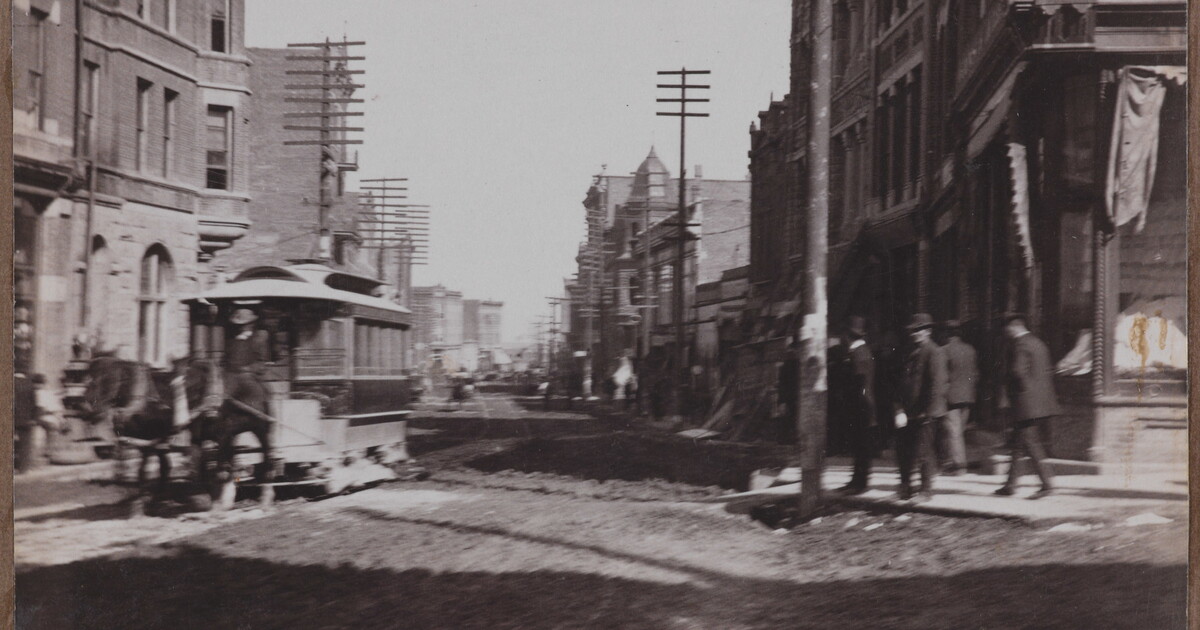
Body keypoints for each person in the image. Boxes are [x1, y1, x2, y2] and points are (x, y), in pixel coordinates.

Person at [995, 313, 1059, 500]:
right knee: (1018, 443)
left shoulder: (1020, 344)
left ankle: (1047, 484)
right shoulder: (1038, 343)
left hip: (1025, 403)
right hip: (1040, 402)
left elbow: (1017, 371)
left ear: (1013, 327)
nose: (1006, 333)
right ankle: (1010, 485)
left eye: (1007, 329)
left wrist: (1012, 391)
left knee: (1030, 443)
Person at [895, 313, 948, 502]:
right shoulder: (911, 351)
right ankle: (906, 487)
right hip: (909, 411)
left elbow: (937, 384)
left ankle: (926, 491)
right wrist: (899, 407)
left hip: (925, 412)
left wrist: (930, 411)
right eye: (913, 330)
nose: (914, 333)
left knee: (923, 450)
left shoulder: (934, 352)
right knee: (904, 450)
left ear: (928, 331)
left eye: (918, 330)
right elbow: (903, 383)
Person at [832, 316, 876, 495]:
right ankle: (855, 481)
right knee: (858, 446)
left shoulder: (859, 354)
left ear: (848, 335)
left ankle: (860, 483)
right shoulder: (857, 352)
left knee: (862, 447)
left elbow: (860, 384)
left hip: (861, 407)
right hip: (860, 407)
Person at [940, 320, 978, 475]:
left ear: (947, 334)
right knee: (958, 431)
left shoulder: (943, 350)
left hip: (951, 397)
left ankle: (959, 466)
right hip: (968, 396)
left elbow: (942, 376)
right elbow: (975, 373)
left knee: (954, 432)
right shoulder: (970, 350)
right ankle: (950, 461)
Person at [225, 308, 270, 412]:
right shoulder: (233, 341)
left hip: (251, 377)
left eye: (246, 324)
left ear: (252, 324)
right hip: (231, 378)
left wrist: (248, 369)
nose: (243, 327)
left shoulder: (259, 338)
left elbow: (262, 363)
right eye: (240, 324)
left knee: (259, 395)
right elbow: (228, 362)